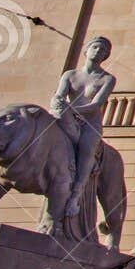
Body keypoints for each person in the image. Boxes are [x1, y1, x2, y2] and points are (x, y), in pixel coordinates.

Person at [50, 36, 116, 219]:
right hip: (67, 118)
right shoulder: (70, 75)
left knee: (86, 150)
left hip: (90, 123)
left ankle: (75, 196)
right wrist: (58, 104)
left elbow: (96, 105)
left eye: (103, 50)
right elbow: (60, 95)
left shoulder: (107, 79)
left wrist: (71, 109)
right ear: (87, 50)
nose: (98, 51)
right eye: (95, 47)